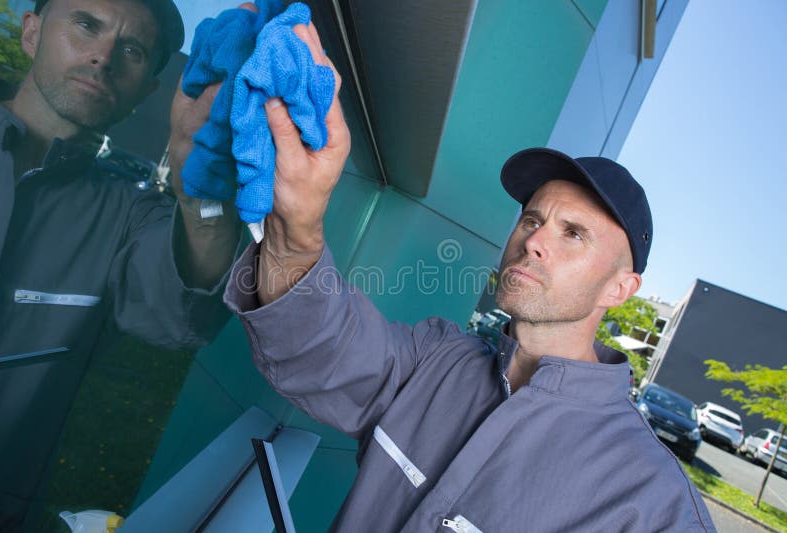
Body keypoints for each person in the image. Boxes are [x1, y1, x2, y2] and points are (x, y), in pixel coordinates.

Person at [223, 26, 717, 533]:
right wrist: (296, 226)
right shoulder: (436, 358)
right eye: (532, 220)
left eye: (573, 233)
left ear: (620, 289)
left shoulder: (654, 504)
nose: (534, 240)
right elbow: (317, 348)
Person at [0, 0, 246, 529]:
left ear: (148, 90)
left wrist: (206, 190)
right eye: (86, 25)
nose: (103, 58)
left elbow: (180, 316)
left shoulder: (130, 216)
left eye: (131, 50)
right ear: (31, 33)